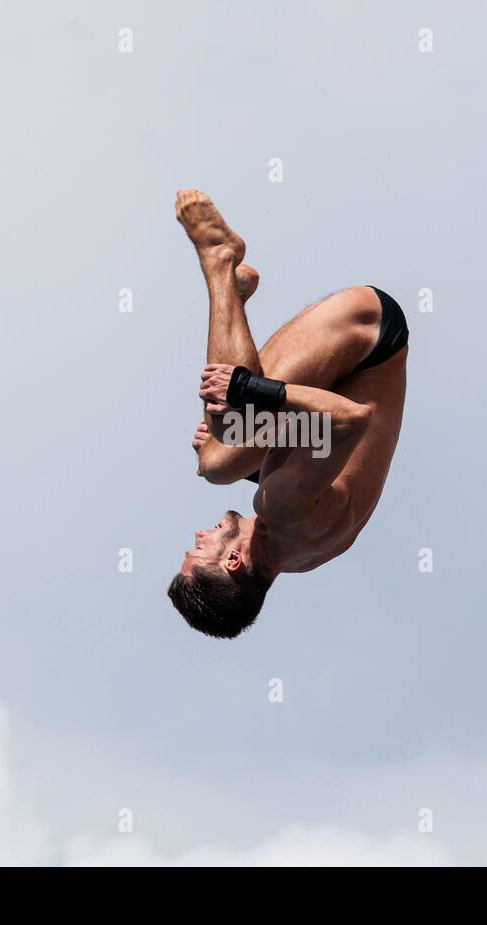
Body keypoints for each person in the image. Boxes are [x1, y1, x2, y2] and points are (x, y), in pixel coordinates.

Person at [168, 190, 409, 638]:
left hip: (353, 372)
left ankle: (233, 303)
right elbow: (350, 421)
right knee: (228, 418)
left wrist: (250, 462)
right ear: (233, 561)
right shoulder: (281, 511)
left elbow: (315, 459)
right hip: (369, 336)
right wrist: (245, 387)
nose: (197, 536)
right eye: (197, 549)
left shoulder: (299, 553)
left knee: (218, 462)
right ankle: (220, 263)